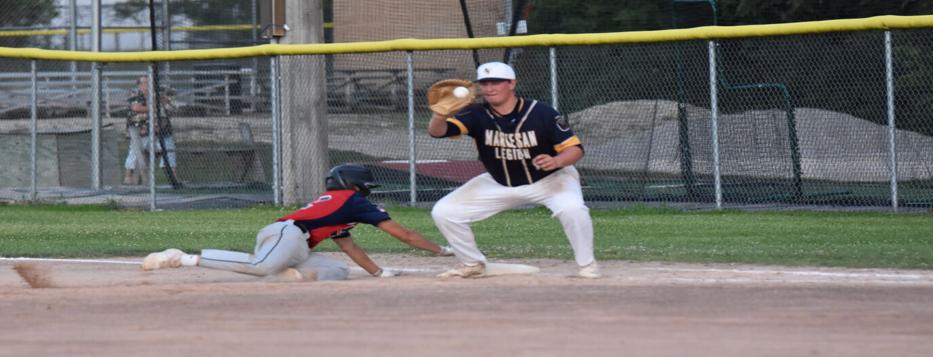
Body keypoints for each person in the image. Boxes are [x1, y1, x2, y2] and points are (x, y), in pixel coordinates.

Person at [427, 61, 598, 279]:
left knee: (573, 210)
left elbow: (575, 149)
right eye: (485, 83)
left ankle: (587, 264)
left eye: (496, 82)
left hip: (551, 180)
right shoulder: (475, 113)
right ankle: (472, 264)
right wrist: (439, 115)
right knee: (444, 212)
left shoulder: (541, 112)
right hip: (500, 182)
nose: (490, 88)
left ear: (512, 84)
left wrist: (557, 161)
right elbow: (438, 132)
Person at [141, 164, 453, 281]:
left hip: (296, 245)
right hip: (287, 234)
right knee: (260, 266)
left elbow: (349, 246)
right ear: (354, 184)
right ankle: (181, 258)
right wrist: (442, 250)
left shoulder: (339, 206)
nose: (366, 190)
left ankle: (283, 274)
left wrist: (379, 272)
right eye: (365, 185)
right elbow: (405, 234)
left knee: (336, 271)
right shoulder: (352, 200)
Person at [125, 74, 181, 188]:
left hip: (161, 130)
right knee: (135, 154)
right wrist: (155, 108)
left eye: (150, 82)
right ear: (140, 85)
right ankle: (128, 178)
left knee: (169, 151)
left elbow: (172, 104)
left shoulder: (158, 94)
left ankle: (174, 179)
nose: (149, 85)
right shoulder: (135, 93)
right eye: (146, 83)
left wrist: (164, 98)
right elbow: (136, 107)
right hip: (141, 130)